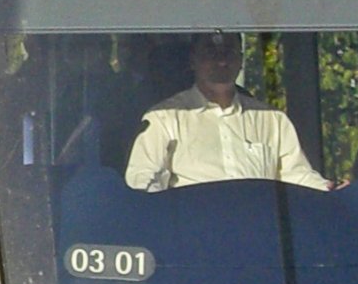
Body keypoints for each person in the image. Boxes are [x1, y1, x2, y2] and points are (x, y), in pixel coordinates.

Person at [124, 30, 330, 192]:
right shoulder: (163, 118)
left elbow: (297, 178)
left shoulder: (272, 120)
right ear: (193, 60)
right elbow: (143, 181)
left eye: (228, 53)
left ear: (240, 61)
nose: (221, 61)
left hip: (261, 236)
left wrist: (331, 190)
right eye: (210, 53)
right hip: (193, 238)